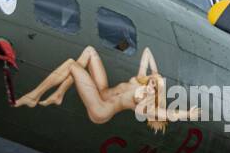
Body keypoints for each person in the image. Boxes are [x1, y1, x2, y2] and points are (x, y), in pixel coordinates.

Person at [14, 46, 199, 133]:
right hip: (102, 91)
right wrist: (157, 74)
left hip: (100, 109)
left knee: (72, 65)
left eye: (154, 87)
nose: (150, 85)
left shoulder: (145, 107)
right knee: (89, 51)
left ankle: (34, 96)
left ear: (157, 93)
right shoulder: (140, 81)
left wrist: (188, 114)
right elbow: (148, 52)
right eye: (151, 82)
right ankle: (59, 94)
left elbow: (168, 114)